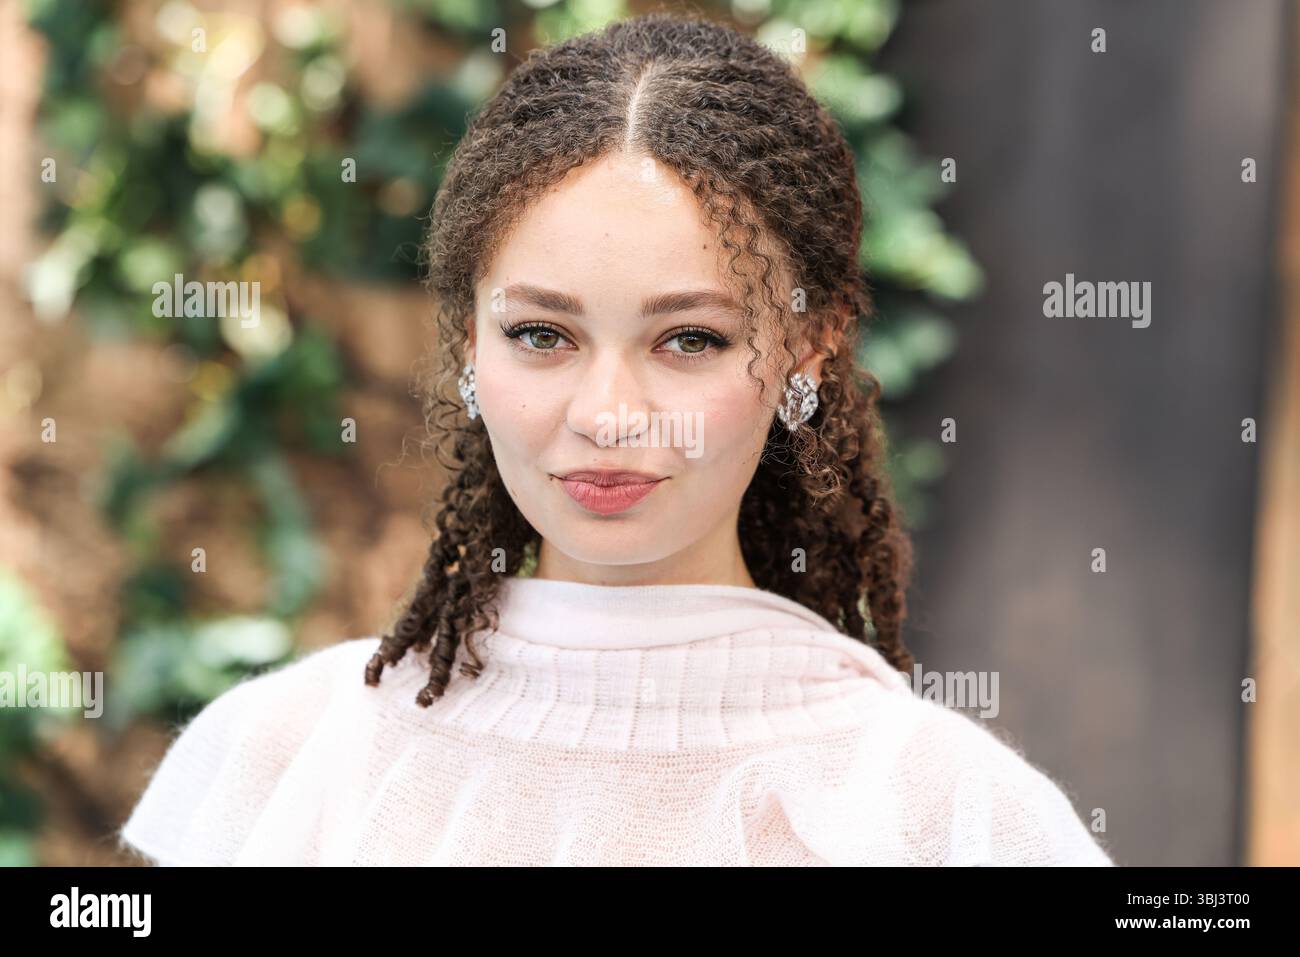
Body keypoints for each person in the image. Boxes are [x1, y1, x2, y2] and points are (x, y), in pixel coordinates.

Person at [119, 12, 1114, 866]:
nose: (605, 414)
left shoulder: (950, 820)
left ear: (807, 351)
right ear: (471, 343)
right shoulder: (280, 759)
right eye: (541, 335)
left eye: (688, 339)